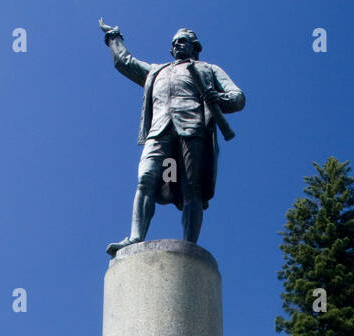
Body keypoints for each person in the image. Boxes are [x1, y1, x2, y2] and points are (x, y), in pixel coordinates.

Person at [99, 21, 245, 255]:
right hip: (159, 131)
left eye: (183, 41)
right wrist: (114, 37)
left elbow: (238, 97)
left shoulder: (208, 70)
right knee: (146, 177)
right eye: (174, 43)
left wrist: (217, 98)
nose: (177, 45)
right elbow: (124, 63)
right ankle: (136, 237)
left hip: (193, 129)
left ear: (194, 47)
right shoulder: (156, 71)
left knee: (192, 189)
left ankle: (189, 246)